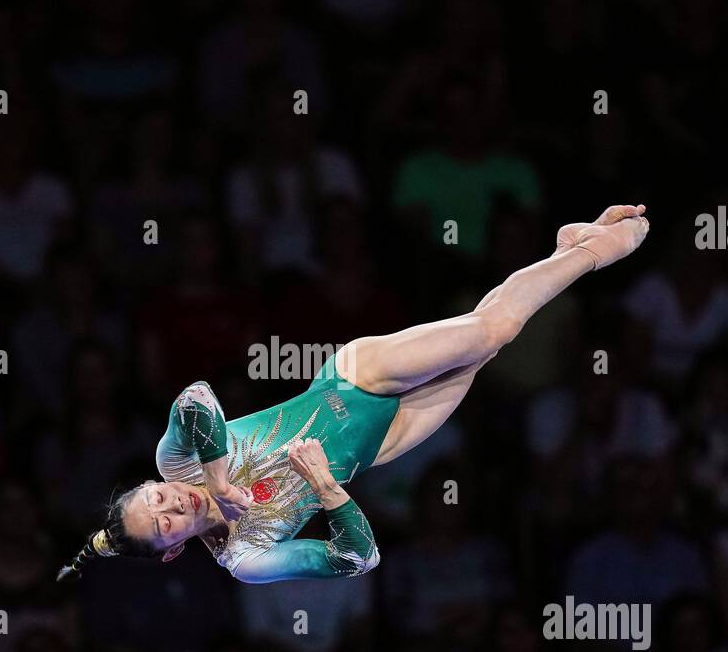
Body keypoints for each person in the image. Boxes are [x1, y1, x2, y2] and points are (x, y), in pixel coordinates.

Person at [60, 204, 650, 584]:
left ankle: (594, 252)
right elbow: (357, 559)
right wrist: (324, 487)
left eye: (156, 499)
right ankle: (566, 249)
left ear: (155, 483)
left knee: (490, 331)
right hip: (381, 444)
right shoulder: (247, 558)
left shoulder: (179, 461)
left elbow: (195, 396)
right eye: (164, 526)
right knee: (487, 347)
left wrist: (216, 481)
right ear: (172, 552)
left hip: (351, 380)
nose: (172, 508)